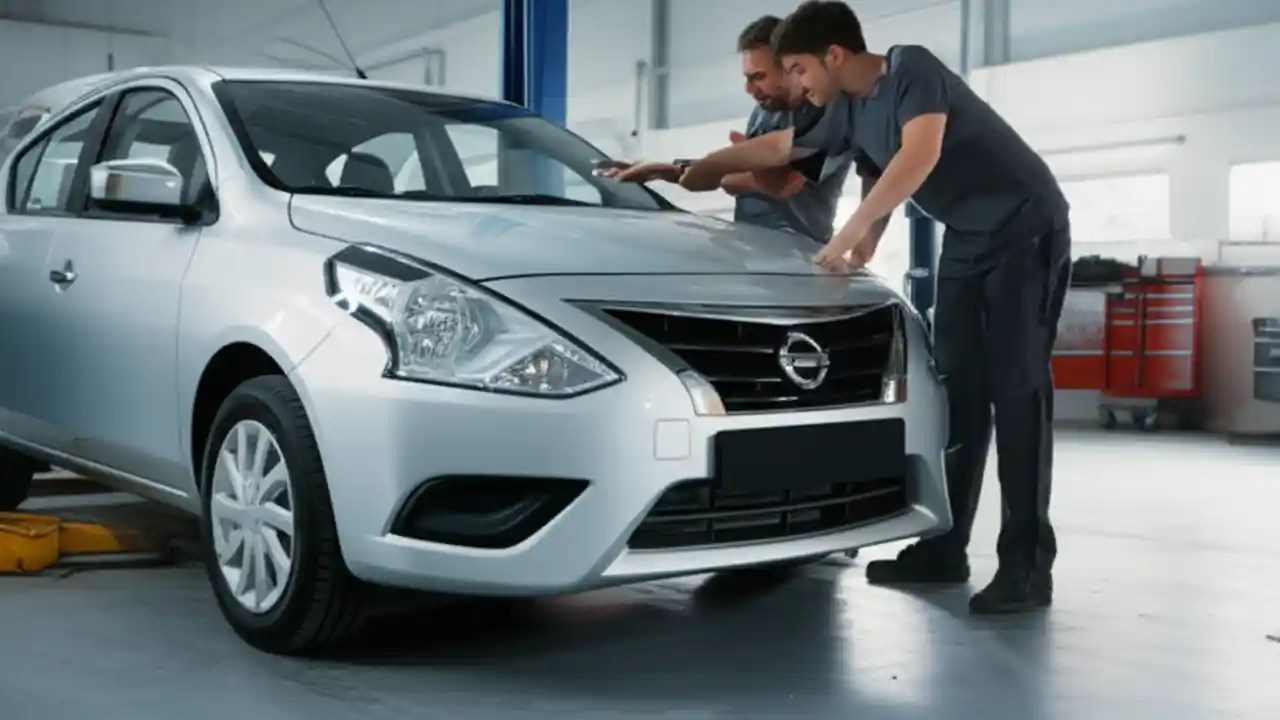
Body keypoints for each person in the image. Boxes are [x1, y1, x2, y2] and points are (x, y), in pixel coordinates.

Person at [647, 0, 1072, 615]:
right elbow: (775, 153)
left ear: (835, 55)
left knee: (1017, 391)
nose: (794, 85)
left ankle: (1027, 566)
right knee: (960, 390)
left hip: (1025, 227)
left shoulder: (910, 70)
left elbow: (918, 156)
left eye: (796, 69)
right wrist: (690, 170)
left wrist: (848, 234)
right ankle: (943, 548)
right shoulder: (844, 112)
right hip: (967, 239)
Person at [604, 15, 871, 249]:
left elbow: (781, 184)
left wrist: (728, 172)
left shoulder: (825, 110)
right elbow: (737, 172)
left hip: (799, 252)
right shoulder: (763, 112)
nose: (750, 89)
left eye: (758, 77)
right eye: (747, 78)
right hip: (749, 247)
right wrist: (665, 170)